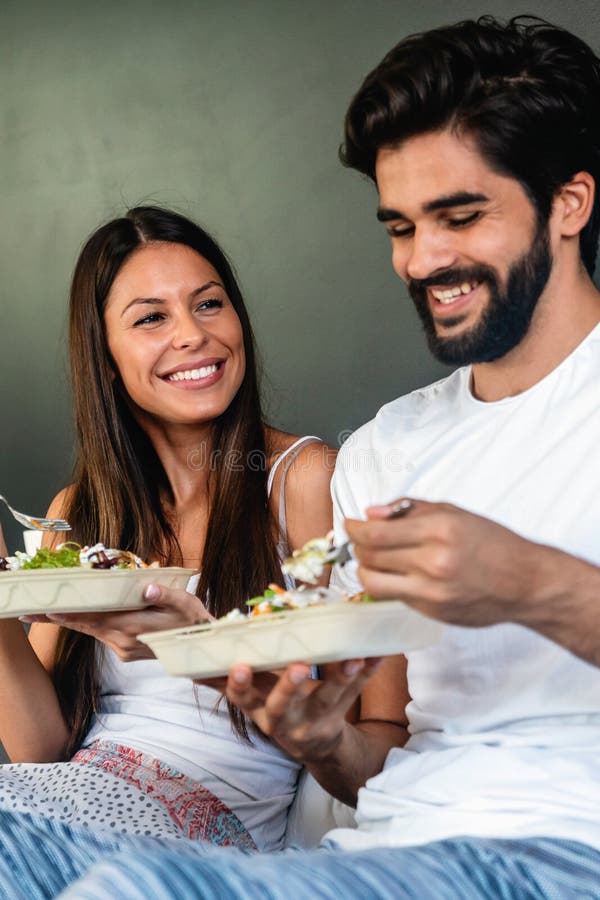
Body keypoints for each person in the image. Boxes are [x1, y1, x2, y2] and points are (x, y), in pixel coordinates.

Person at [1, 14, 600, 899]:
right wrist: (317, 739)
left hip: (556, 846)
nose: (421, 261)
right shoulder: (388, 449)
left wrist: (532, 582)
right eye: (400, 226)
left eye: (460, 216)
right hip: (379, 852)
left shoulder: (312, 472)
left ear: (570, 204)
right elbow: (376, 763)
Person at [0, 205, 406, 854]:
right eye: (152, 317)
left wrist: (190, 640)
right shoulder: (77, 511)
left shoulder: (304, 480)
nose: (192, 334)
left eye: (209, 304)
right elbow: (39, 748)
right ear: (104, 358)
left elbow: (368, 733)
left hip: (208, 831)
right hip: (68, 804)